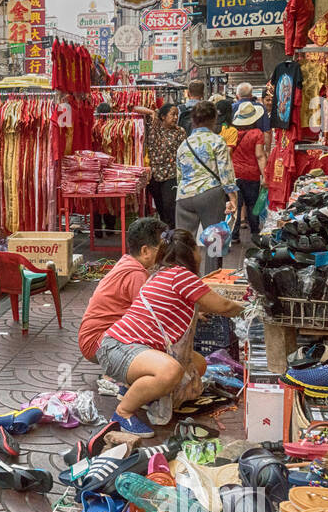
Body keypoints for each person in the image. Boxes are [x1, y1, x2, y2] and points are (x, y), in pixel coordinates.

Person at [100, 229, 244, 436]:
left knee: (198, 364)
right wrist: (250, 308)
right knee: (171, 371)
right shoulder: (181, 275)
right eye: (197, 248)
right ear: (190, 252)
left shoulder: (164, 273)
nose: (200, 254)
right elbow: (223, 306)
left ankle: (136, 391)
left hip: (126, 348)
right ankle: (123, 413)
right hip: (119, 349)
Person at [80, 217, 167, 363]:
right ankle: (119, 373)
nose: (165, 254)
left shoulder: (128, 262)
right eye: (162, 249)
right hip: (97, 343)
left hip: (95, 339)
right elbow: (151, 316)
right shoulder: (136, 274)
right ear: (145, 250)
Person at [175, 100, 238, 274]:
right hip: (210, 194)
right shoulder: (217, 141)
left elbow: (179, 176)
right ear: (214, 119)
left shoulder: (183, 145)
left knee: (184, 244)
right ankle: (212, 279)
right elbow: (226, 173)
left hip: (184, 198)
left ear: (193, 121)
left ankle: (185, 282)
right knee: (215, 241)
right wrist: (232, 198)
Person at [230, 101, 268, 243]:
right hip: (251, 174)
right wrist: (265, 176)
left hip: (234, 174)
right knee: (252, 204)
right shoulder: (257, 133)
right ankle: (255, 233)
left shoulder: (231, 133)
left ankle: (234, 235)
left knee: (236, 205)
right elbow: (260, 155)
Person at [145, 104, 186, 227]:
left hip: (171, 174)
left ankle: (173, 230)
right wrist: (152, 112)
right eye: (172, 114)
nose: (175, 118)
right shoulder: (154, 127)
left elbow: (184, 153)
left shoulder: (180, 132)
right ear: (163, 116)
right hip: (154, 174)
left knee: (169, 204)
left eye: (177, 115)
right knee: (160, 205)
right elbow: (133, 108)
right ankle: (165, 230)